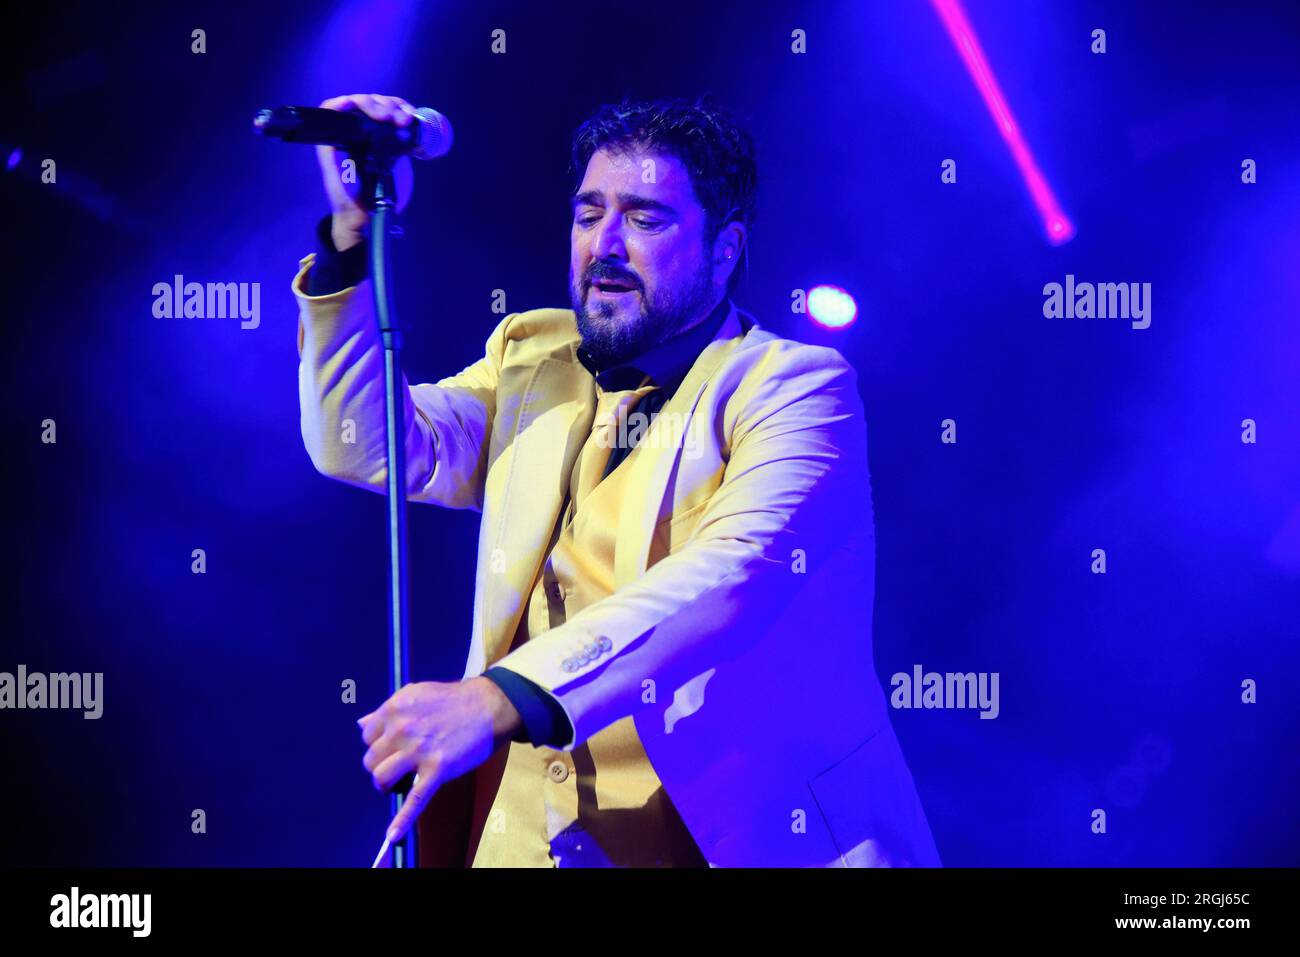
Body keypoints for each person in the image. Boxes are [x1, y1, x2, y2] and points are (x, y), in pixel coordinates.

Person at [294, 93, 942, 867]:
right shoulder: (534, 359)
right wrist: (350, 238)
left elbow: (735, 575)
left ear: (726, 248)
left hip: (737, 840)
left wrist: (501, 696)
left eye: (645, 219)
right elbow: (363, 444)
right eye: (588, 212)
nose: (603, 244)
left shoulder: (794, 385)